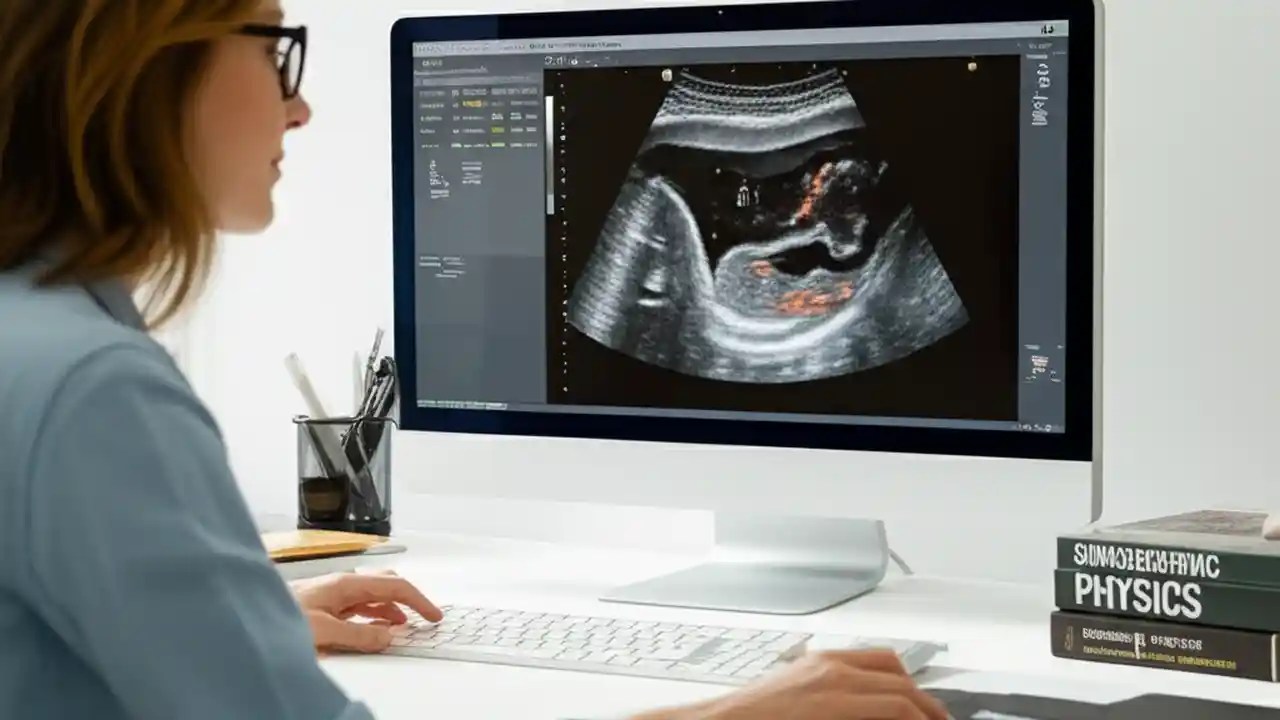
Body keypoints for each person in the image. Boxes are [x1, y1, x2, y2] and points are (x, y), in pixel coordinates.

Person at [0, 1, 950, 719]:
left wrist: (243, 625)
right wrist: (746, 711)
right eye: (274, 50)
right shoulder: (95, 393)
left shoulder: (31, 337)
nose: (299, 105)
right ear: (144, 67)